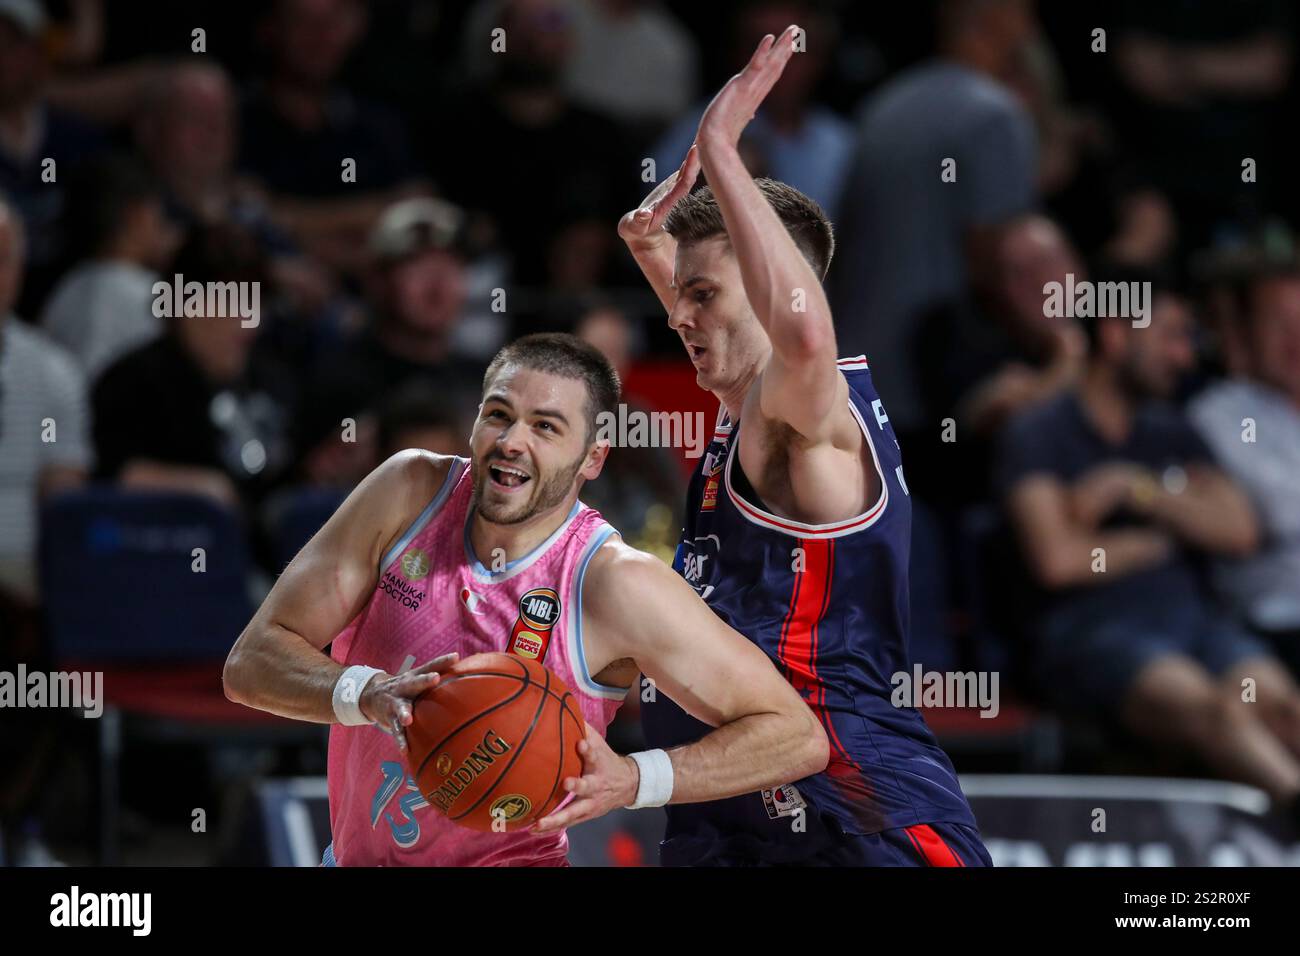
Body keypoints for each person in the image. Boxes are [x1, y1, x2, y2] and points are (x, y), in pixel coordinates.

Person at [223, 333, 829, 866]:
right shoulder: (407, 491)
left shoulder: (614, 583)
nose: (512, 440)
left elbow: (795, 735)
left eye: (545, 426)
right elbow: (249, 664)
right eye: (498, 415)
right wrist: (365, 692)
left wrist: (636, 778)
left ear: (594, 457)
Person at [619, 27, 989, 866]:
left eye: (702, 294)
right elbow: (744, 329)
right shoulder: (749, 409)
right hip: (728, 809)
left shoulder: (807, 415)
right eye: (680, 297)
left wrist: (720, 148)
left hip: (850, 806)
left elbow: (797, 334)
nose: (679, 317)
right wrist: (659, 253)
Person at [998, 281, 1300, 823]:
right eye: (1171, 338)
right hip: (1096, 634)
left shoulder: (1170, 429)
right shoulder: (1040, 431)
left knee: (1285, 710)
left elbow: (1238, 530)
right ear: (1115, 335)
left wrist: (1135, 488)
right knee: (1219, 713)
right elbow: (1059, 559)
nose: (1185, 356)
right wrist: (1168, 533)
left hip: (1198, 624)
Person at [1189, 264, 1300, 670]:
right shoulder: (1223, 413)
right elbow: (1276, 511)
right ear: (1245, 334)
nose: (1296, 337)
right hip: (1274, 623)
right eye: (1279, 323)